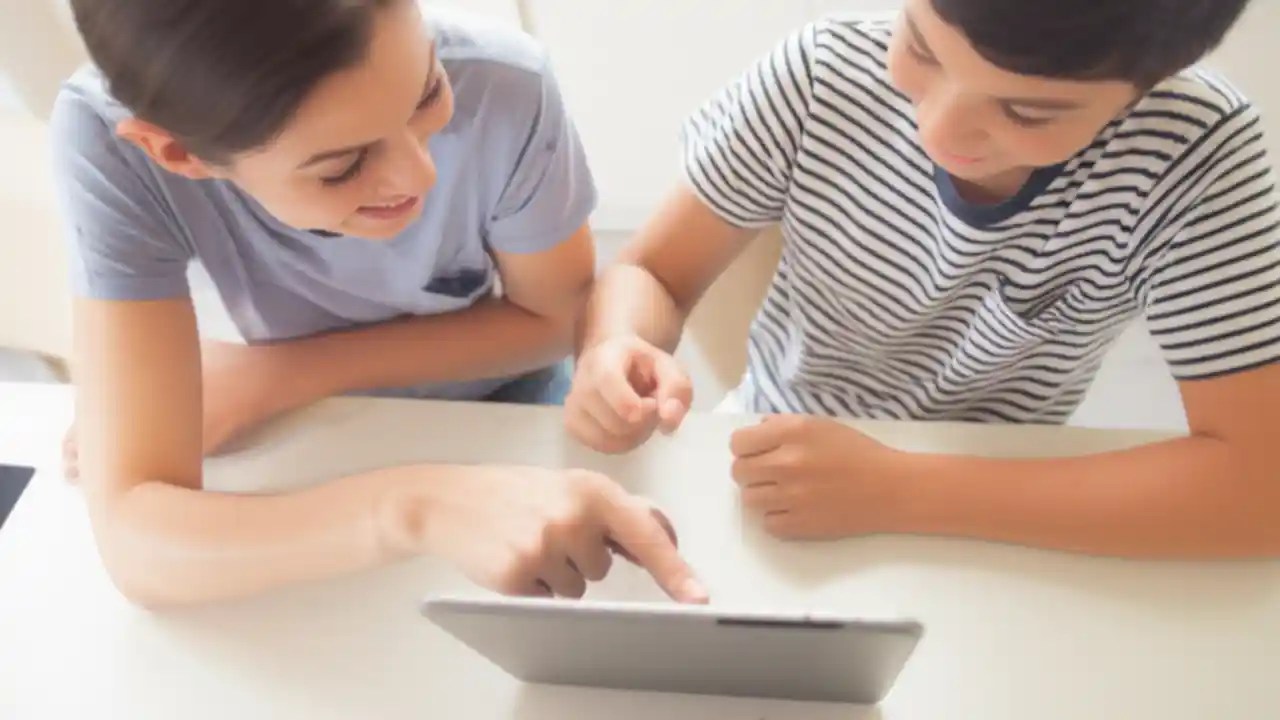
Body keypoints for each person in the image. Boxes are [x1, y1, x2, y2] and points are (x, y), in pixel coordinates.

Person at [52, 0, 707, 607]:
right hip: (320, 438)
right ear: (177, 153)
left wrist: (276, 377)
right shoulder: (105, 143)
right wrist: (417, 507)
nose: (419, 175)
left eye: (427, 91)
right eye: (342, 167)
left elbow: (560, 317)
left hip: (505, 404)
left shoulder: (504, 84)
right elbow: (135, 539)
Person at [567, 0, 1280, 557]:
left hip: (1009, 488)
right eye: (919, 46)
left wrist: (903, 490)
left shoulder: (1197, 160)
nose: (939, 133)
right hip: (770, 451)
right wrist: (618, 343)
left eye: (1025, 111)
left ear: (1148, 86)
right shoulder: (819, 75)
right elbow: (653, 271)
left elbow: (1260, 487)